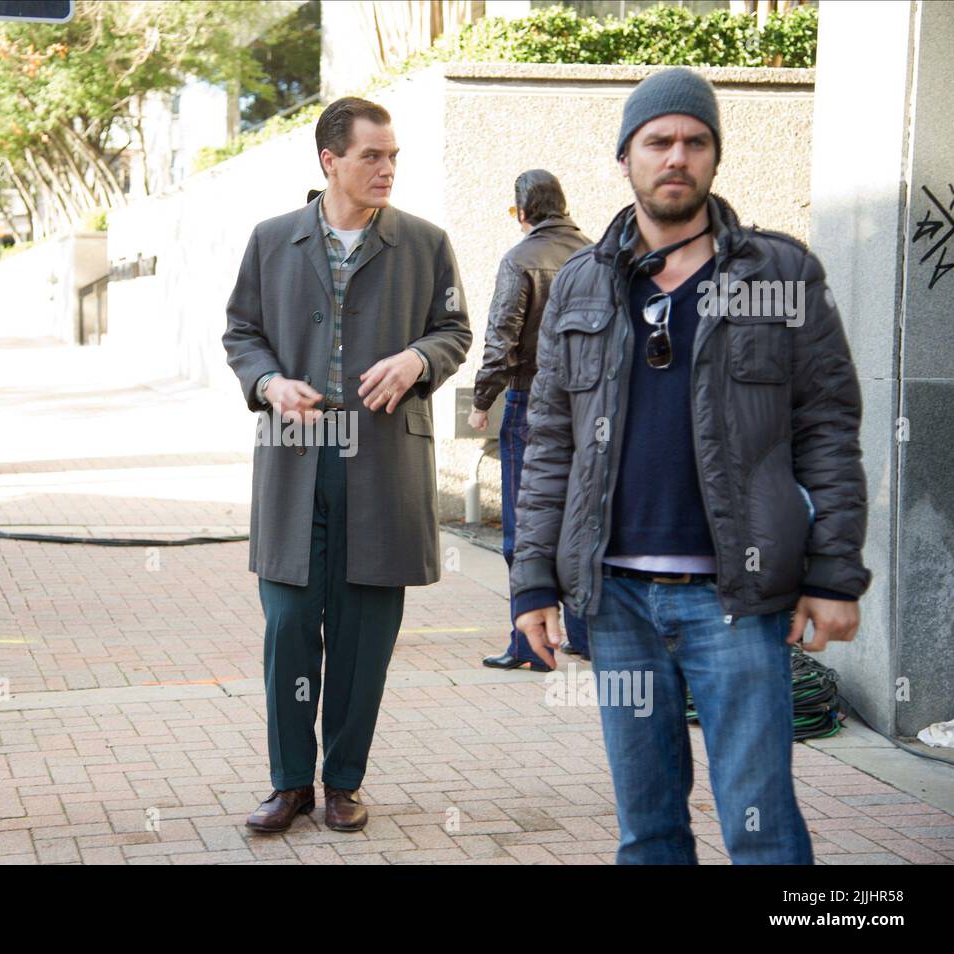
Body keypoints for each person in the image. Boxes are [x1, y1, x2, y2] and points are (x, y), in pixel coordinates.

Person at [510, 68, 869, 864]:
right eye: (658, 141)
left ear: (713, 157)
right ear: (626, 156)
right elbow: (551, 447)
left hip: (735, 601)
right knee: (648, 833)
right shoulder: (580, 284)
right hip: (616, 604)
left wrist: (835, 572)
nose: (677, 156)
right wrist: (533, 580)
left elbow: (827, 430)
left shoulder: (779, 274)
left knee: (763, 828)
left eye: (695, 141)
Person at [224, 96, 470, 833]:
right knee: (290, 627)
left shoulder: (425, 244)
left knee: (365, 635)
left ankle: (345, 782)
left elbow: (454, 330)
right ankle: (290, 782)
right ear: (330, 160)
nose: (387, 168)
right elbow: (242, 333)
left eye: (393, 155)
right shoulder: (271, 241)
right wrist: (267, 383)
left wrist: (418, 358)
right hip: (294, 460)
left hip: (384, 464)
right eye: (372, 156)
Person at [469, 169, 590, 671]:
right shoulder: (594, 253)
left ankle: (529, 644)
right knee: (581, 517)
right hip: (588, 404)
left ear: (522, 211)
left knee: (524, 524)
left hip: (530, 401)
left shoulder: (519, 258)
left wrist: (482, 400)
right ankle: (582, 635)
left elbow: (503, 335)